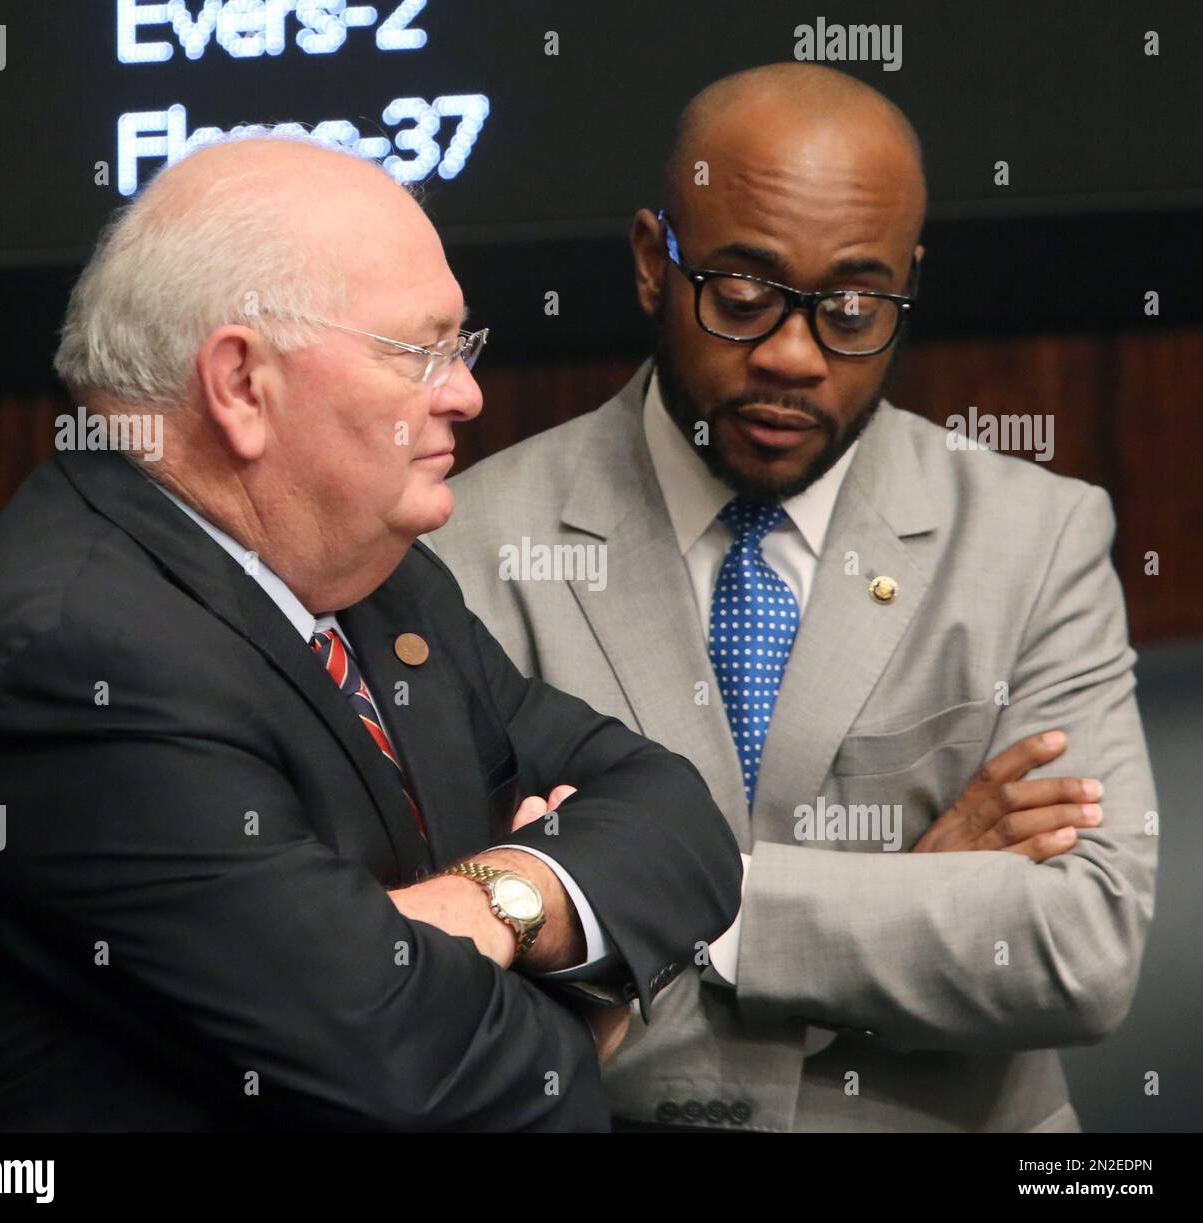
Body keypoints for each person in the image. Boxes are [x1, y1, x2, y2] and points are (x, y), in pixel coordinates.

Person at [0, 135, 742, 1132]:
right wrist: (582, 988)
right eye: (419, 350)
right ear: (242, 386)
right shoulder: (83, 658)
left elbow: (674, 813)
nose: (465, 392)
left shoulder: (373, 574)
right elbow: (429, 1083)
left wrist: (496, 903)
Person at [430, 63, 1158, 1132]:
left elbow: (1079, 948)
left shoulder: (1034, 535)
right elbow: (465, 992)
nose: (791, 355)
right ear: (650, 261)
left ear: (907, 285)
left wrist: (676, 914)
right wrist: (910, 891)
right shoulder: (468, 546)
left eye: (855, 308)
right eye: (741, 296)